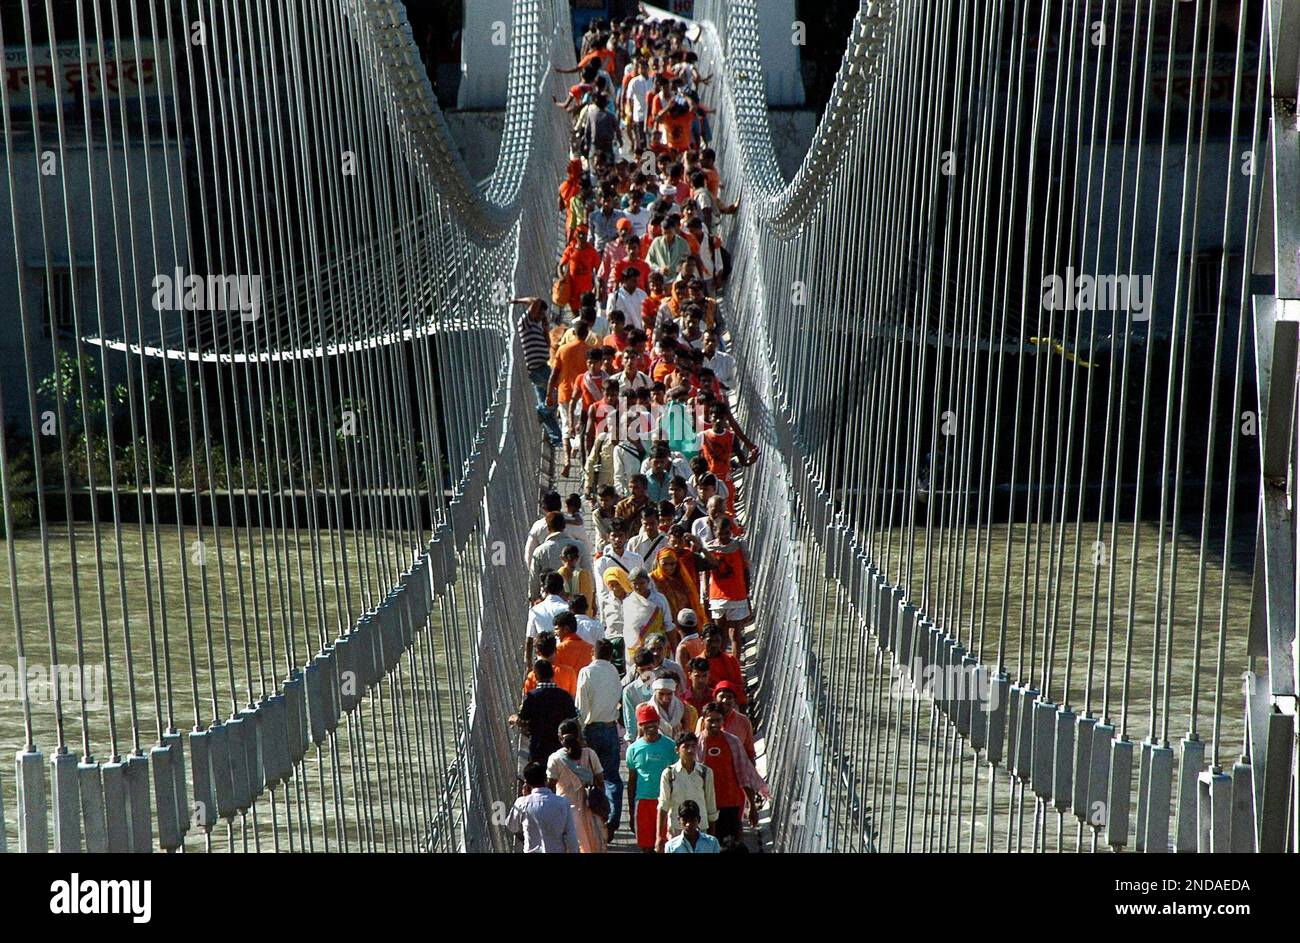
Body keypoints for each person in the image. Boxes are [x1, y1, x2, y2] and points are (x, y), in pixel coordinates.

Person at [575, 639, 623, 841]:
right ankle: (611, 821)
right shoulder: (614, 672)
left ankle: (592, 821)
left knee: (588, 777)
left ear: (593, 652)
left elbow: (581, 705)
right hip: (611, 729)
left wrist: (580, 732)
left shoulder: (586, 672)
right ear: (611, 655)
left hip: (592, 729)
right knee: (612, 777)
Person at [697, 701, 761, 842]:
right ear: (703, 720)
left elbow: (743, 774)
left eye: (718, 720)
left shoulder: (733, 742)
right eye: (710, 720)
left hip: (731, 803)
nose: (714, 724)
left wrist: (752, 806)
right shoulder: (696, 745)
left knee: (733, 845)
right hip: (706, 805)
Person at [547, 720, 607, 853]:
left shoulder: (555, 759)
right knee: (594, 846)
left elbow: (550, 788)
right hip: (590, 810)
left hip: (564, 811)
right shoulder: (590, 754)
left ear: (559, 737)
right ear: (579, 735)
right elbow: (601, 783)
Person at [625, 701, 677, 852]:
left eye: (654, 724)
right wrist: (630, 809)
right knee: (646, 846)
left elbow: (677, 775)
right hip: (643, 803)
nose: (651, 728)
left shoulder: (670, 746)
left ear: (659, 723)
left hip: (666, 802)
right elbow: (632, 780)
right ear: (640, 726)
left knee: (666, 845)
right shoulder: (633, 749)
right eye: (646, 724)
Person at [513, 298, 563, 446]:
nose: (542, 317)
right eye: (541, 314)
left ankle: (557, 439)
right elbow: (535, 300)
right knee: (557, 396)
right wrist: (518, 301)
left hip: (542, 367)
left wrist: (546, 330)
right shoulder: (526, 323)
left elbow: (547, 346)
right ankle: (540, 411)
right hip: (537, 370)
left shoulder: (535, 326)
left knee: (547, 401)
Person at [514, 660, 578, 765]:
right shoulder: (564, 696)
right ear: (552, 673)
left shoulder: (532, 697)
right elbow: (574, 719)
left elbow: (523, 720)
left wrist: (515, 719)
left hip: (539, 747)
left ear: (535, 676)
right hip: (561, 747)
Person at [704, 515, 752, 655]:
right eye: (720, 533)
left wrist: (746, 593)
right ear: (714, 531)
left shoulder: (739, 546)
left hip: (737, 595)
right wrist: (705, 594)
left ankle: (735, 666)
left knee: (735, 634)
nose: (724, 536)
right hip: (717, 596)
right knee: (720, 634)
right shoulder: (710, 549)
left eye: (727, 532)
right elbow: (706, 573)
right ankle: (723, 662)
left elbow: (745, 570)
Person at [508, 761, 578, 853]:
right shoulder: (563, 803)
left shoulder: (522, 803)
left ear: (527, 783)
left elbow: (512, 826)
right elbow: (571, 837)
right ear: (546, 779)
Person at [658, 734, 717, 842]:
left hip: (701, 827)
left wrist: (712, 837)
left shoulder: (705, 773)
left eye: (693, 746)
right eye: (686, 746)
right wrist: (659, 837)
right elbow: (663, 806)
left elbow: (711, 804)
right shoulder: (669, 773)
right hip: (677, 829)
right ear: (677, 750)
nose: (690, 750)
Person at [525, 572, 570, 663]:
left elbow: (529, 640)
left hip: (543, 662)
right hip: (563, 658)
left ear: (545, 588)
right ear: (562, 588)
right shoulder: (567, 608)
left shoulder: (535, 610)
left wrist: (529, 665)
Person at [701, 623, 745, 705]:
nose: (714, 645)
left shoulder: (731, 661)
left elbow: (739, 687)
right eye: (710, 641)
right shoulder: (698, 664)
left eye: (717, 641)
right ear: (702, 640)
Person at [648, 676, 696, 740]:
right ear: (655, 692)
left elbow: (687, 731)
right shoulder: (648, 709)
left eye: (669, 694)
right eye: (661, 694)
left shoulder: (682, 707)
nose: (665, 698)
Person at [553, 612, 594, 676]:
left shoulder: (559, 649)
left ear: (566, 629)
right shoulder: (591, 649)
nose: (555, 633)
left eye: (557, 629)